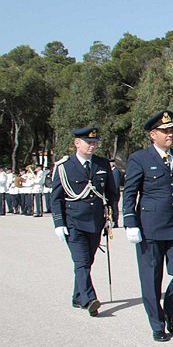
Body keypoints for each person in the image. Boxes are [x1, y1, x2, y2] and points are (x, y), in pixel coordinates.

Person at [122, 110, 173, 342]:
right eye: (165, 131)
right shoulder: (139, 159)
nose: (170, 134)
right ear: (153, 135)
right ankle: (157, 324)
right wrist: (130, 222)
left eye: (171, 130)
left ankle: (169, 310)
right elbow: (130, 193)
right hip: (150, 227)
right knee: (152, 278)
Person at [51, 126, 120, 315]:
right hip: (74, 222)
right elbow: (56, 198)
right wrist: (59, 223)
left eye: (95, 143)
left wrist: (111, 217)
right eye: (88, 142)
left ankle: (78, 296)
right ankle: (90, 299)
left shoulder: (102, 165)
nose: (92, 146)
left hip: (96, 222)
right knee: (81, 261)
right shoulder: (64, 167)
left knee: (87, 261)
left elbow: (112, 193)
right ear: (76, 143)